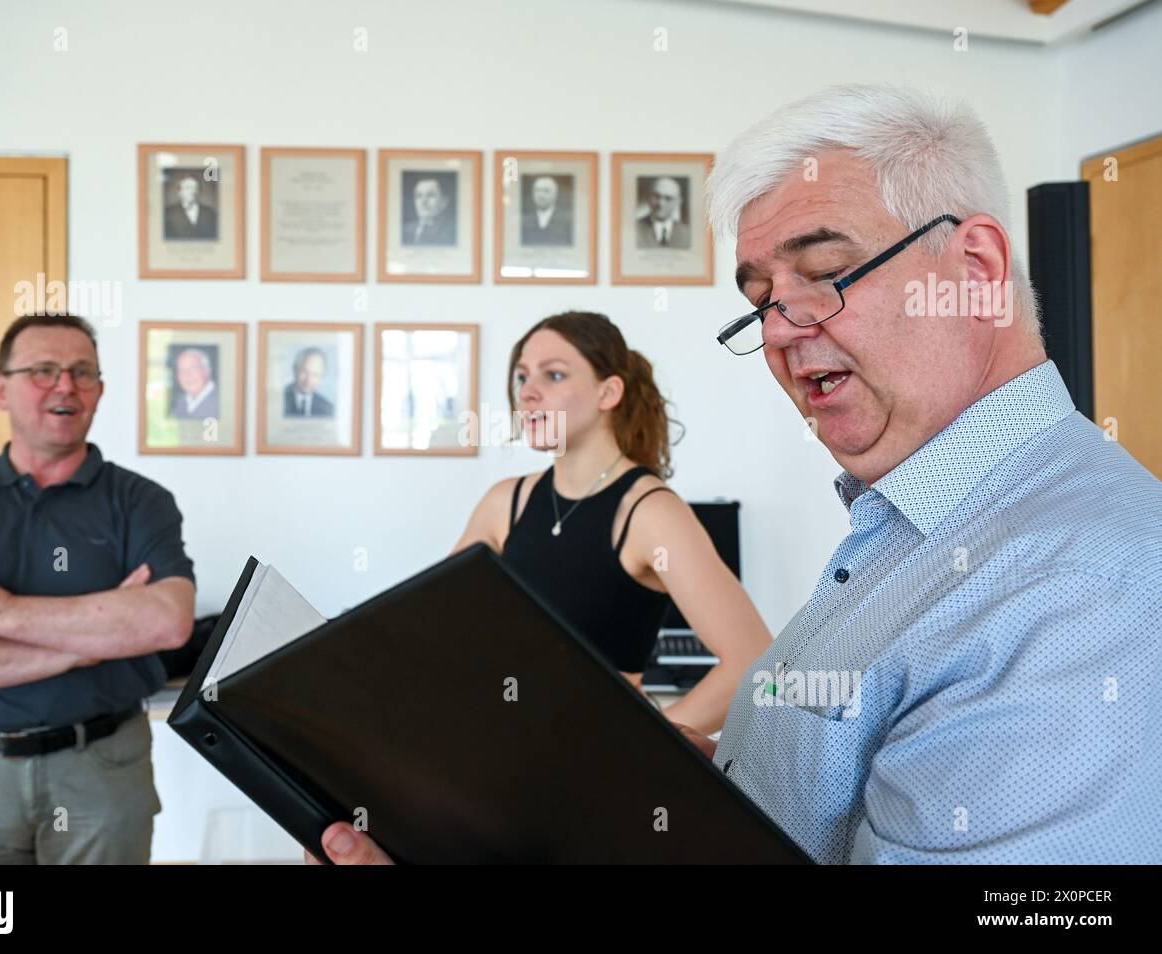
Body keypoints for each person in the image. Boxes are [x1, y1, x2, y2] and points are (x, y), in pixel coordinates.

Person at [308, 84, 1162, 865]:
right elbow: (812, 804)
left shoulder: (1078, 585)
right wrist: (641, 780)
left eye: (826, 276)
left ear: (974, 272)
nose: (783, 330)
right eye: (761, 299)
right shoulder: (904, 525)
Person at [0, 313, 196, 864]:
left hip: (102, 769)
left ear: (100, 390)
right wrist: (96, 636)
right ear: (0, 390)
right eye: (43, 370)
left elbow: (167, 622)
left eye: (81, 372)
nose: (65, 385)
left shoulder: (142, 501)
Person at [453, 310, 770, 728]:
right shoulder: (504, 502)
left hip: (584, 768)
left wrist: (638, 745)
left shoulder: (650, 513)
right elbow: (440, 622)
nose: (527, 392)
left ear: (609, 392)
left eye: (553, 375)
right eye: (522, 376)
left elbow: (756, 665)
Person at [636, 177, 691, 248]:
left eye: (668, 198)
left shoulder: (687, 234)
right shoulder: (633, 229)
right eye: (656, 196)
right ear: (648, 198)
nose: (661, 203)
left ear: (678, 202)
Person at [403, 176, 456, 245]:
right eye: (419, 196)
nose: (423, 202)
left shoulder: (453, 231)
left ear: (444, 202)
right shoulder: (404, 230)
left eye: (431, 195)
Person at [520, 175, 573, 246]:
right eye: (537, 190)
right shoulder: (524, 219)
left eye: (546, 191)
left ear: (555, 194)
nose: (541, 195)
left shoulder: (568, 219)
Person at [283, 347, 335, 417]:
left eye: (315, 375)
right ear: (295, 370)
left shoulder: (327, 408)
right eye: (304, 372)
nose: (308, 380)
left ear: (321, 376)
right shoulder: (279, 400)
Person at [170, 347, 219, 420]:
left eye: (193, 368)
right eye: (181, 370)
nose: (187, 375)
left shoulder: (222, 402)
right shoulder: (181, 402)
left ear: (207, 371)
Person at [163, 175, 218, 240]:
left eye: (195, 188)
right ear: (179, 192)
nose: (192, 191)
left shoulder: (210, 213)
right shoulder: (167, 213)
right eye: (188, 188)